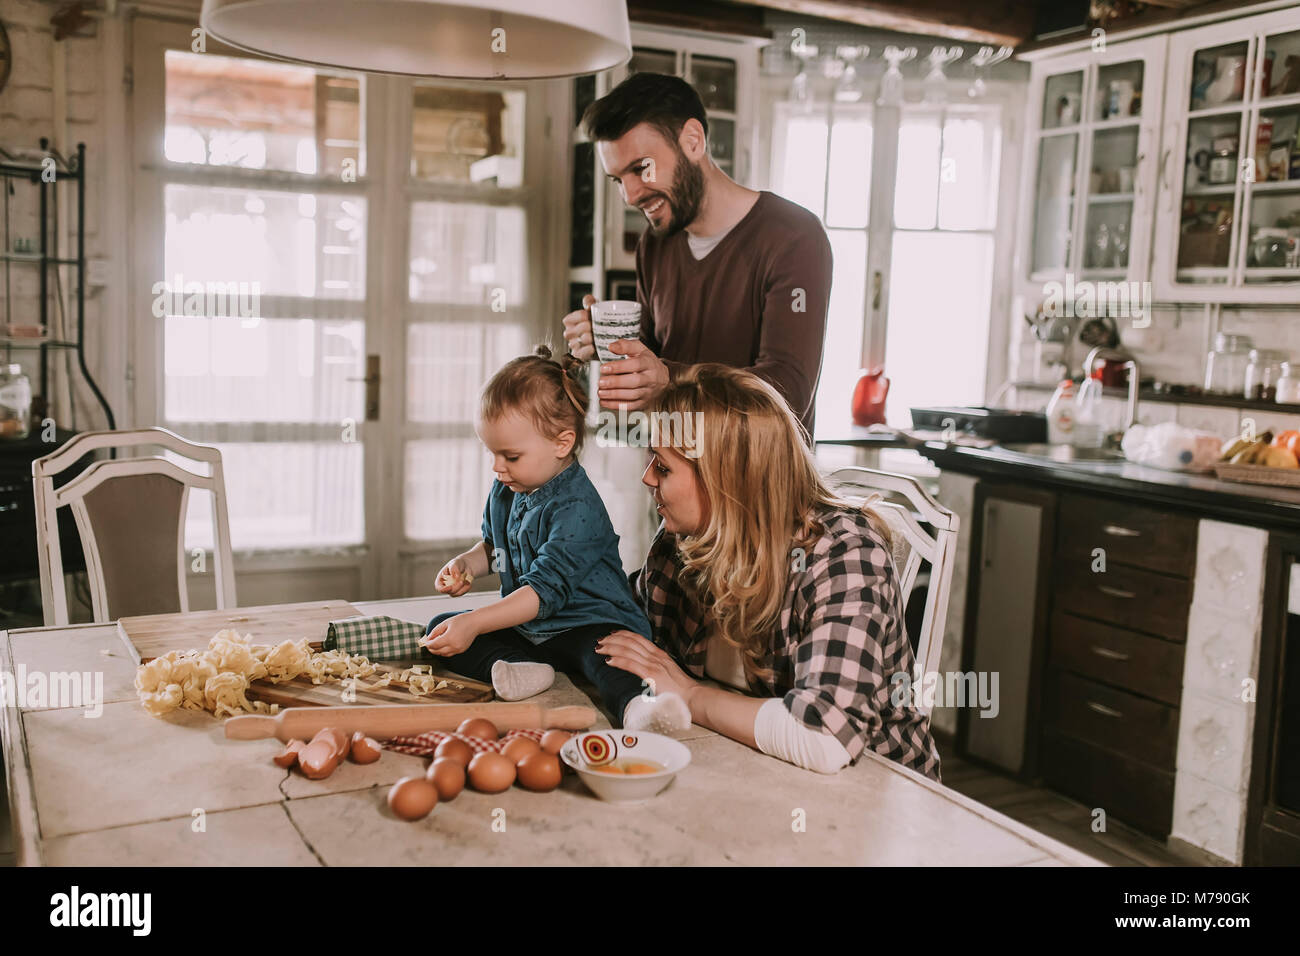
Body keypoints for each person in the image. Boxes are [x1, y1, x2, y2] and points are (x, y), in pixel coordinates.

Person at [596, 364, 941, 779]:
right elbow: (615, 616)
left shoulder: (845, 553)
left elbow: (823, 736)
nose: (646, 476)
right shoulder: (681, 542)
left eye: (664, 467)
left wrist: (688, 694)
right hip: (757, 771)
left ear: (726, 481)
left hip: (885, 798)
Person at [421, 345, 694, 731]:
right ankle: (523, 669)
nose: (497, 468)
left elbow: (543, 591)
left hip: (589, 624)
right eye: (492, 453)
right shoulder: (507, 488)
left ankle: (638, 709)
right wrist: (467, 564)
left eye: (510, 456)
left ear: (561, 444)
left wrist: (478, 621)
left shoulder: (577, 508)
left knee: (611, 661)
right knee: (441, 626)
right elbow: (493, 548)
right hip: (534, 627)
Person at [562, 72, 833, 439]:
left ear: (692, 141)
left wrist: (667, 377)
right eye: (618, 180)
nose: (629, 195)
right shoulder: (654, 245)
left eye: (641, 168)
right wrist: (610, 345)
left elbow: (788, 396)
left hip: (761, 494)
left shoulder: (792, 236)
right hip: (668, 485)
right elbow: (655, 360)